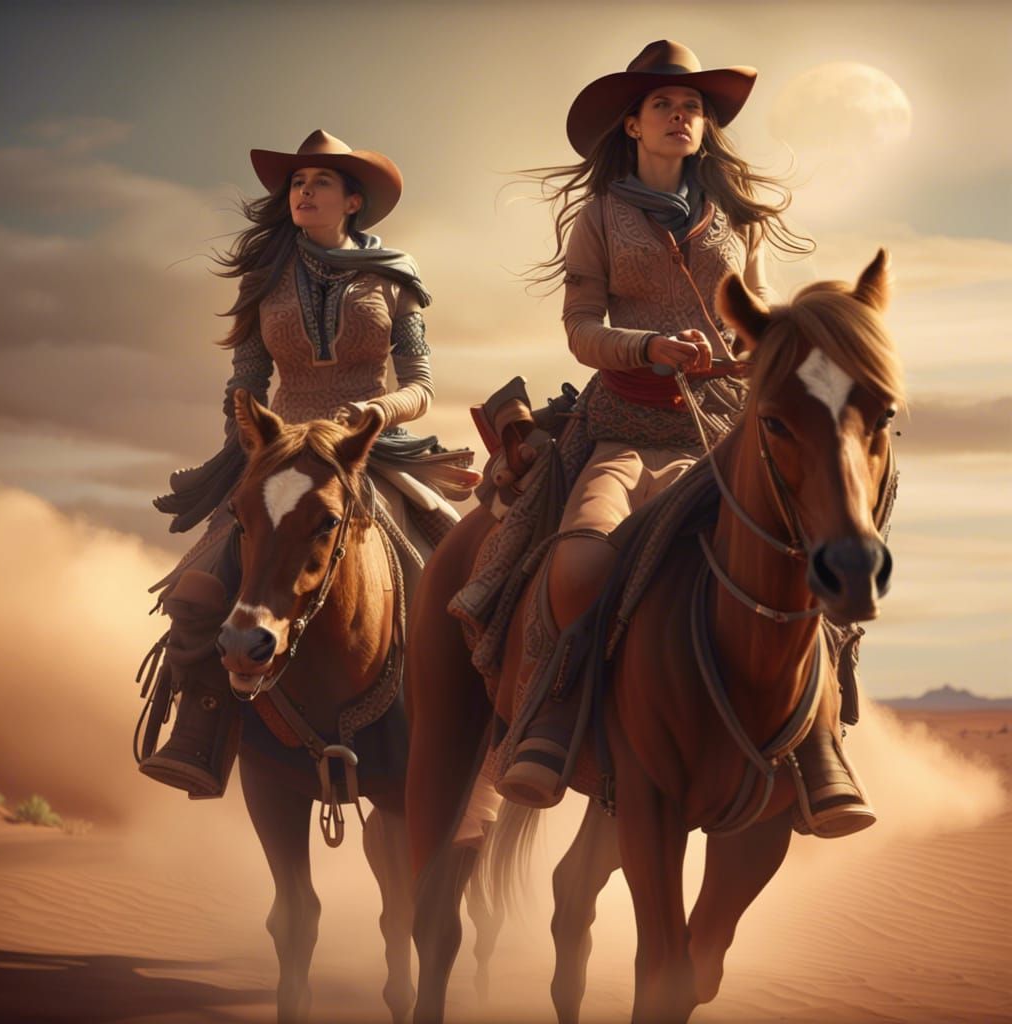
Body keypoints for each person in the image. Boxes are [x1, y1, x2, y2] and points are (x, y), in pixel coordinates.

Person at [485, 40, 874, 837]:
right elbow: (579, 327)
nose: (681, 115)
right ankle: (554, 716)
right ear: (632, 123)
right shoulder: (599, 217)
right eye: (664, 104)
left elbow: (757, 313)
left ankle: (819, 745)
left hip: (729, 427)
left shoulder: (736, 219)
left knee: (816, 543)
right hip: (625, 427)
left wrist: (748, 353)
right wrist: (647, 348)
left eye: (693, 106)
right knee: (583, 552)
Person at [137, 130, 476, 798]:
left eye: (320, 182)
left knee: (465, 568)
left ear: (353, 201)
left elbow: (422, 383)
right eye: (297, 183)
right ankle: (200, 727)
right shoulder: (265, 281)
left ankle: (477, 725)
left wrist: (380, 411)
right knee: (198, 589)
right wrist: (249, 441)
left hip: (364, 450)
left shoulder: (394, 280)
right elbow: (246, 380)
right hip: (278, 452)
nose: (304, 192)